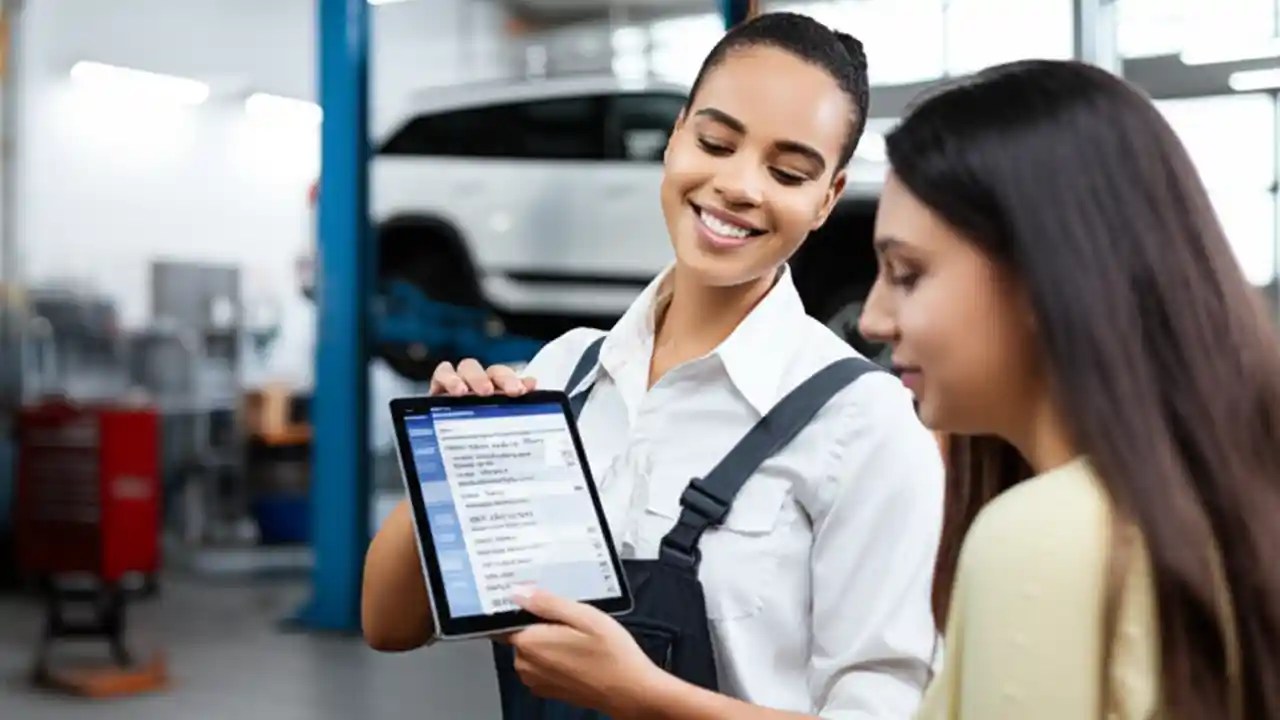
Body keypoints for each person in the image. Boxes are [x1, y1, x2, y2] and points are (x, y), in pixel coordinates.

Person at [361, 12, 946, 719]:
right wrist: (453, 457)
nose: (739, 185)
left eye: (788, 172)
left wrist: (641, 696)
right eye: (715, 143)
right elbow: (390, 626)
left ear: (826, 198)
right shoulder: (564, 375)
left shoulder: (865, 424)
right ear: (674, 139)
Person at [857, 60, 1280, 719]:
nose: (872, 319)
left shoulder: (1042, 540)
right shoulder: (1223, 509)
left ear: (1041, 275)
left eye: (907, 274)